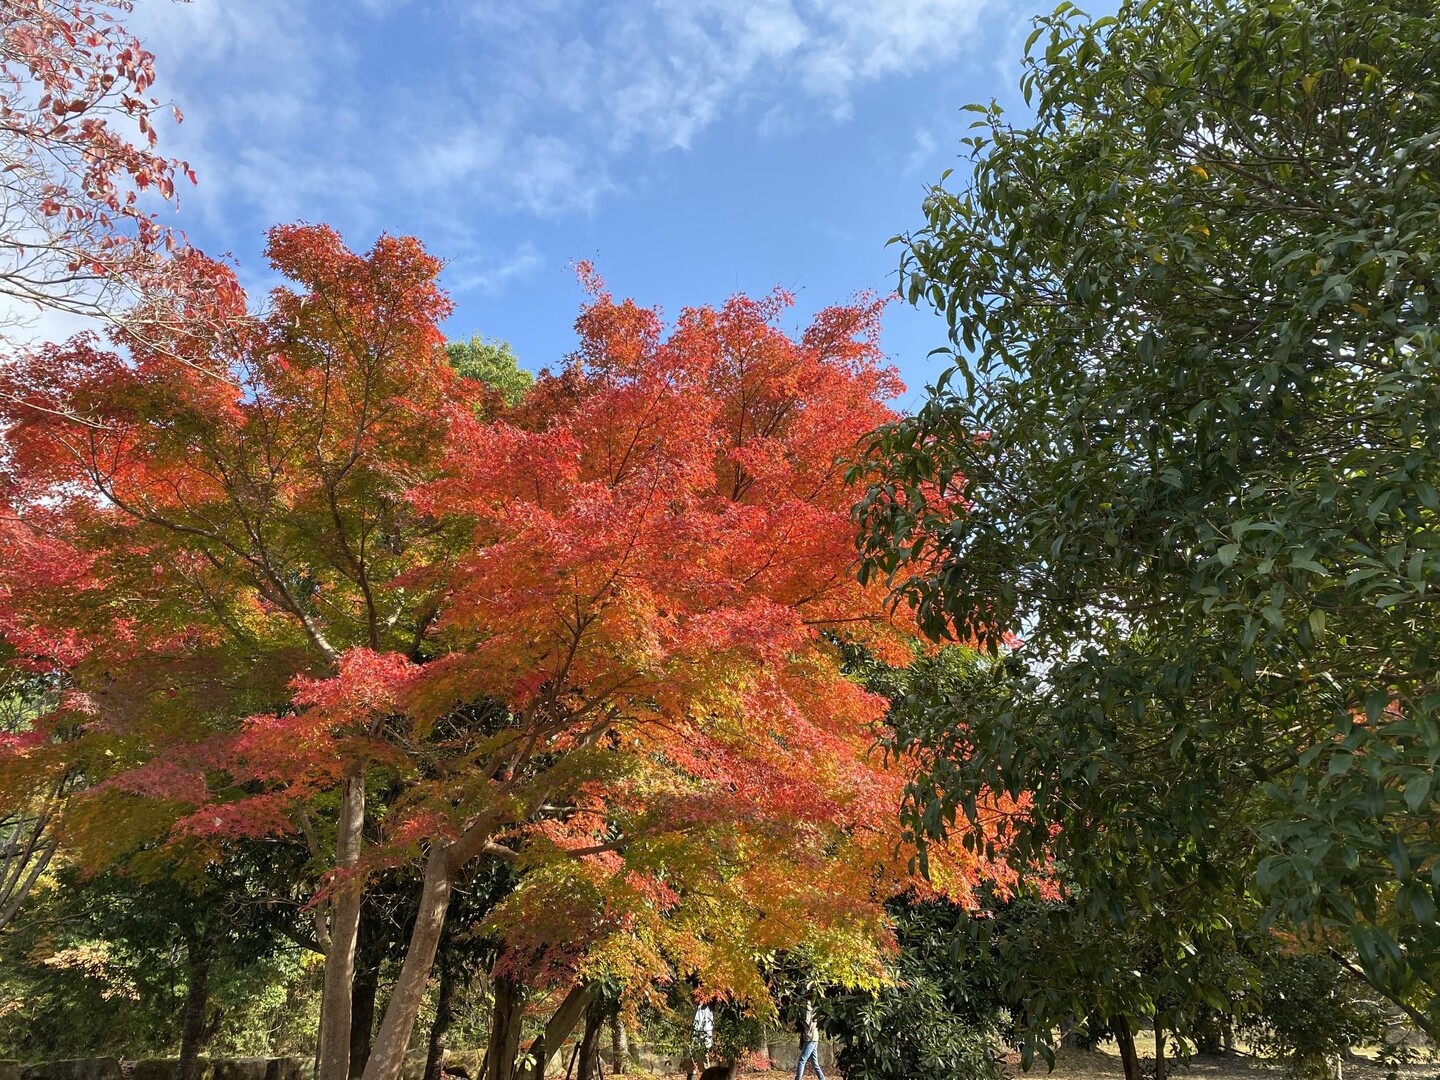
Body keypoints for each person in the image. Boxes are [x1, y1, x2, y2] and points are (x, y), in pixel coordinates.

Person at [795, 999, 826, 1080]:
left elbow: (807, 1023)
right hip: (814, 1037)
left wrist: (801, 1022)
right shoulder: (814, 1010)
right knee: (815, 1063)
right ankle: (822, 1078)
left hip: (810, 1038)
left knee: (802, 1060)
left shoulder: (807, 1011)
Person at [685, 1003, 715, 1080]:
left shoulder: (704, 1008)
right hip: (697, 1040)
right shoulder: (705, 1008)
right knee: (690, 1064)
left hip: (701, 1040)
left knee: (703, 1065)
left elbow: (699, 1025)